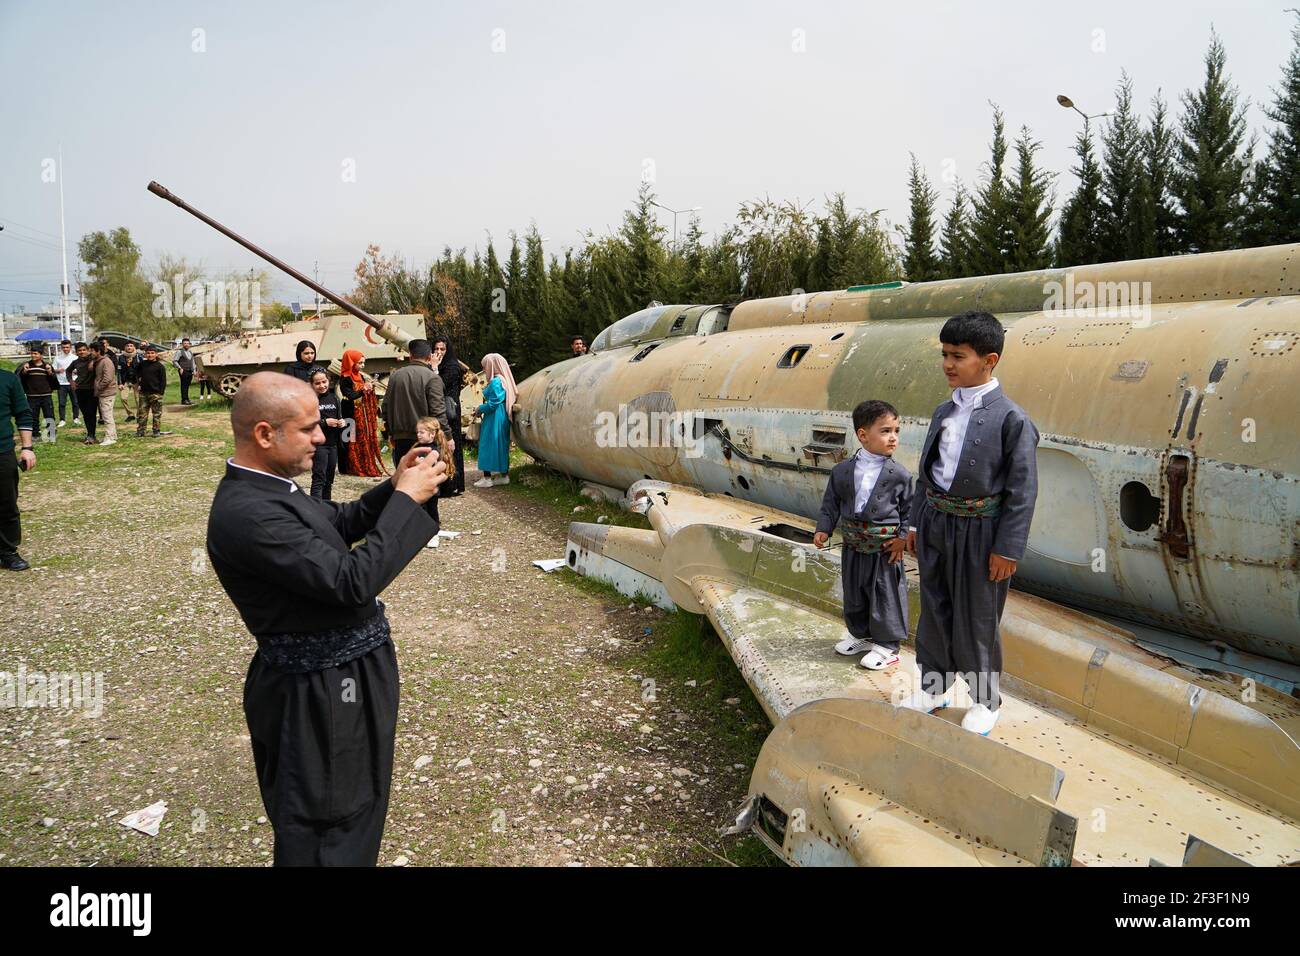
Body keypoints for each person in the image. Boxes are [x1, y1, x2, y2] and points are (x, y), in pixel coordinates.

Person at [205, 372, 446, 865]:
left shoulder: (272, 488)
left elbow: (335, 522)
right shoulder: (250, 513)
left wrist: (395, 486)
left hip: (341, 677)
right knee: (330, 822)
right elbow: (350, 581)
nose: (323, 437)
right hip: (320, 689)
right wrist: (406, 499)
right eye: (309, 429)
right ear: (265, 434)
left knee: (355, 803)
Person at [901, 311, 1039, 736]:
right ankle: (934, 687)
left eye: (958, 356)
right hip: (936, 523)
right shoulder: (944, 411)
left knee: (978, 616)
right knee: (935, 608)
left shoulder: (1013, 420)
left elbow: (1023, 491)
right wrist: (913, 524)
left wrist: (1008, 549)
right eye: (944, 354)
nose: (947, 364)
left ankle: (984, 700)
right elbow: (927, 475)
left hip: (982, 534)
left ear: (989, 359)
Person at [813, 400, 912, 670]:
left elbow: (909, 510)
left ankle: (888, 646)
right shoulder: (842, 471)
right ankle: (861, 635)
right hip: (853, 546)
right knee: (854, 592)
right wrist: (823, 528)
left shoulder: (900, 475)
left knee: (884, 595)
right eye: (885, 431)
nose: (893, 437)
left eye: (896, 431)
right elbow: (831, 503)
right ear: (863, 435)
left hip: (884, 550)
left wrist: (903, 537)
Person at [382, 339, 454, 469]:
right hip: (425, 440)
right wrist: (448, 437)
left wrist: (390, 432)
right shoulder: (433, 378)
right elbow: (438, 412)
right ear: (429, 357)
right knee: (424, 483)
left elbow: (385, 407)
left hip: (400, 438)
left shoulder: (395, 376)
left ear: (410, 356)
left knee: (403, 480)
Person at [0, 362, 36, 570]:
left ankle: (7, 552)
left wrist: (27, 447)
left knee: (6, 503)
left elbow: (23, 413)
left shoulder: (8, 379)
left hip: (2, 451)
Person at [337, 349, 385, 478]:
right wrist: (363, 389)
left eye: (364, 363)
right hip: (349, 411)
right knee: (348, 438)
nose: (363, 366)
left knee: (360, 437)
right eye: (360, 363)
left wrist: (370, 388)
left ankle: (362, 463)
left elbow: (363, 393)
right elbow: (350, 395)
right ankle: (347, 467)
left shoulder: (361, 376)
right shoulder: (345, 378)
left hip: (360, 413)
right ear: (351, 362)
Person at [473, 353, 516, 487]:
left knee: (486, 444)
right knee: (500, 445)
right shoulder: (504, 380)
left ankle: (487, 478)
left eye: (485, 366)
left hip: (495, 416)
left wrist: (480, 408)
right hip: (501, 415)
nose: (485, 369)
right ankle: (504, 475)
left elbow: (494, 403)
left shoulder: (496, 381)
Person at [412, 415, 455, 548]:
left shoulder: (434, 449)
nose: (418, 435)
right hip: (420, 486)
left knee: (430, 509)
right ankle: (424, 531)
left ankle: (433, 533)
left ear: (431, 434)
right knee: (421, 509)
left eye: (422, 432)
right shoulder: (419, 446)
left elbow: (433, 465)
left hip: (431, 487)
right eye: (417, 432)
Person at [432, 335, 466, 497]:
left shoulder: (452, 367)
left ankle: (452, 484)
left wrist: (435, 369)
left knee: (451, 446)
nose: (439, 352)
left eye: (442, 349)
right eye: (436, 349)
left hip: (450, 411)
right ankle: (445, 483)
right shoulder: (439, 366)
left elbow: (439, 387)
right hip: (441, 410)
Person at [309, 369, 343, 500]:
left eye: (324, 382)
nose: (322, 385)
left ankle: (327, 508)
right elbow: (306, 422)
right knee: (319, 479)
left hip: (333, 444)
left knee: (329, 480)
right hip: (319, 445)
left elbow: (340, 417)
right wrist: (324, 422)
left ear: (329, 381)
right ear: (312, 385)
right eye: (318, 383)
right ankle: (315, 509)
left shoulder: (334, 398)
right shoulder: (310, 400)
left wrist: (341, 422)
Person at [17, 347, 58, 444]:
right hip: (32, 396)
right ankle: (35, 434)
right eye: (31, 353)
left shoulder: (47, 366)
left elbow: (54, 381)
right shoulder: (26, 366)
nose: (33, 355)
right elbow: (20, 380)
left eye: (35, 353)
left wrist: (50, 372)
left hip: (46, 395)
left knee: (49, 415)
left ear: (41, 354)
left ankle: (51, 435)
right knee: (33, 416)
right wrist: (24, 372)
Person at [67, 342, 99, 444]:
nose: (82, 352)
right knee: (85, 414)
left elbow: (106, 355)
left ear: (88, 350)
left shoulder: (94, 359)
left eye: (84, 350)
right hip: (80, 389)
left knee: (92, 413)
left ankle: (92, 435)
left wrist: (93, 361)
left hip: (92, 390)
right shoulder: (75, 362)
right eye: (79, 350)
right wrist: (71, 382)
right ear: (76, 352)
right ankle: (89, 435)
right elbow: (68, 371)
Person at [136, 345, 169, 438]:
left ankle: (156, 430)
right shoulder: (142, 364)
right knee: (142, 413)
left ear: (156, 354)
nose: (150, 355)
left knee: (157, 414)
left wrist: (160, 393)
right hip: (143, 393)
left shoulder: (160, 366)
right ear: (145, 354)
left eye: (152, 353)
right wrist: (138, 383)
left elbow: (163, 381)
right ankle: (141, 431)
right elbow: (136, 373)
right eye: (148, 353)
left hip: (156, 394)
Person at [90, 341, 119, 446]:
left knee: (107, 415)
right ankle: (112, 435)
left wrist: (99, 387)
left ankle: (110, 437)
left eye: (92, 350)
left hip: (107, 392)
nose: (91, 352)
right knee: (107, 414)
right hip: (104, 392)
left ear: (98, 351)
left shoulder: (106, 361)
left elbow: (108, 378)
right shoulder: (99, 361)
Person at [53, 339, 78, 427]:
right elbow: (53, 369)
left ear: (70, 347)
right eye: (63, 347)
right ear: (61, 348)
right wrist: (58, 370)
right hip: (61, 383)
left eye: (67, 347)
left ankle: (76, 418)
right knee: (61, 403)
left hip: (72, 382)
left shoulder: (75, 358)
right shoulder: (57, 358)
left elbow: (80, 370)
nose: (65, 349)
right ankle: (62, 420)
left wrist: (76, 371)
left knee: (75, 402)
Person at [118, 341, 143, 423]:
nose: (129, 347)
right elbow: (119, 371)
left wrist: (142, 382)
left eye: (131, 346)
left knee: (138, 400)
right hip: (125, 381)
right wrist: (120, 383)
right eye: (127, 346)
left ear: (134, 347)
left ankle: (139, 416)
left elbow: (143, 370)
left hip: (136, 381)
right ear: (125, 348)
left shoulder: (139, 356)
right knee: (123, 398)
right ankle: (130, 414)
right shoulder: (121, 357)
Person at [173, 338, 196, 405]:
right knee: (184, 385)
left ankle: (187, 399)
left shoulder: (190, 352)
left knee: (187, 385)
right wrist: (180, 368)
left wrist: (194, 370)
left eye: (187, 343)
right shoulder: (179, 352)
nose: (186, 345)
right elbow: (174, 361)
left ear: (189, 344)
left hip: (190, 371)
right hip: (183, 371)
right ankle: (184, 400)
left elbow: (193, 362)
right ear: (182, 344)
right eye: (184, 343)